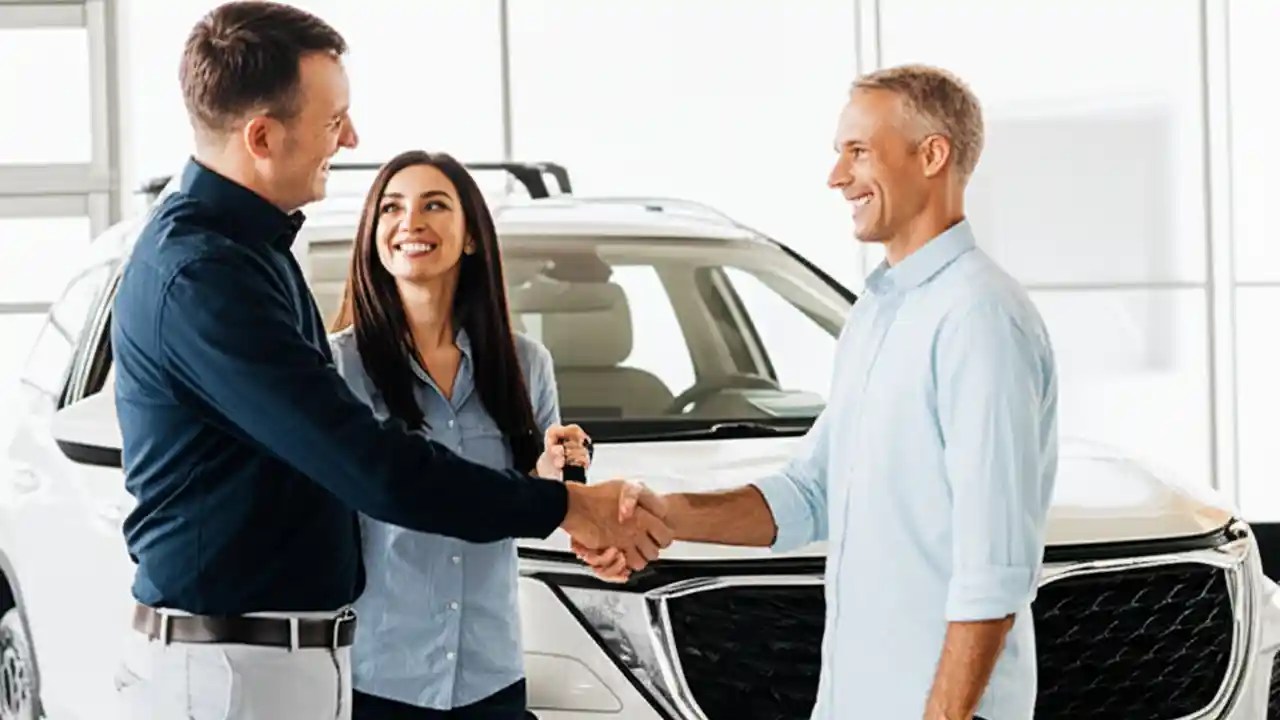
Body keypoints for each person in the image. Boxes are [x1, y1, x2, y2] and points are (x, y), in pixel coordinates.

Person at [110, 3, 669, 718]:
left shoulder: (251, 254)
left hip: (283, 664)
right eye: (331, 120)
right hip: (234, 676)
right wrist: (566, 506)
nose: (349, 138)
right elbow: (371, 468)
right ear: (261, 136)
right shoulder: (205, 277)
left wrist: (555, 489)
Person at [579, 64, 1059, 720]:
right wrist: (661, 515)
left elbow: (994, 570)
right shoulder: (878, 312)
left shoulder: (978, 318)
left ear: (932, 154)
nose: (837, 177)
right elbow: (809, 495)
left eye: (858, 152)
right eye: (840, 153)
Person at [325, 150, 577, 719]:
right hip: (377, 679)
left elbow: (531, 501)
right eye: (391, 208)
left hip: (491, 677)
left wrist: (554, 478)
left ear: (470, 238)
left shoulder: (525, 364)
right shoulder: (337, 368)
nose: (410, 221)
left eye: (434, 205)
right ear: (373, 236)